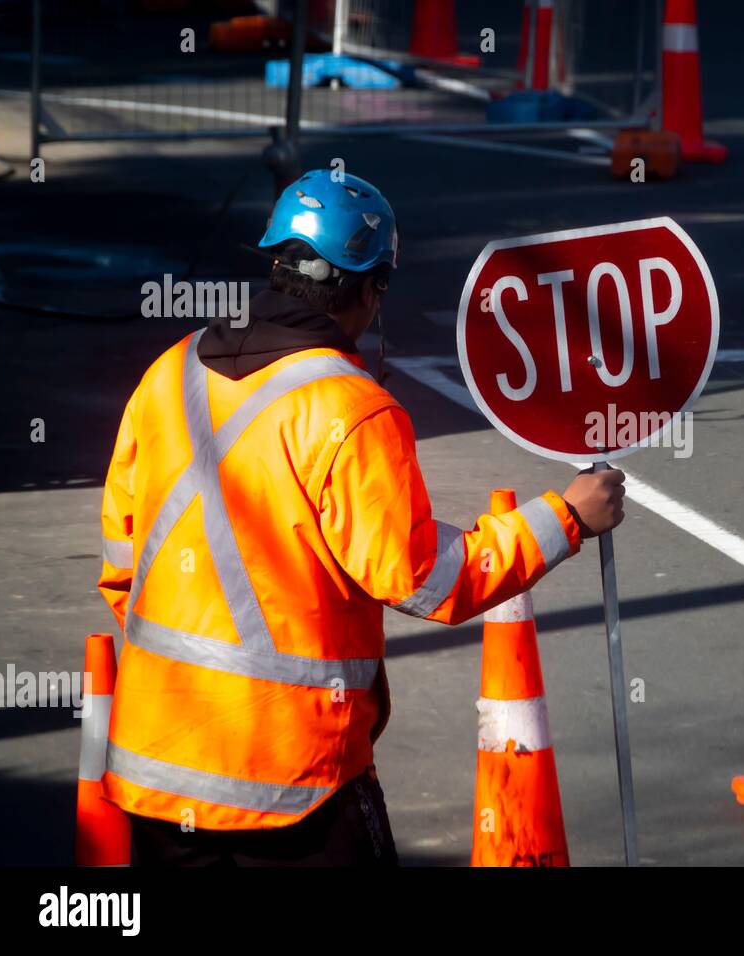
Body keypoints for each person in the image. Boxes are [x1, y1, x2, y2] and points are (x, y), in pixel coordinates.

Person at [96, 169, 624, 866]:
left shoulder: (170, 372)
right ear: (372, 291)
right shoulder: (352, 409)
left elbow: (122, 567)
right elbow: (423, 579)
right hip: (292, 785)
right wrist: (566, 519)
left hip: (155, 773)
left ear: (278, 265)